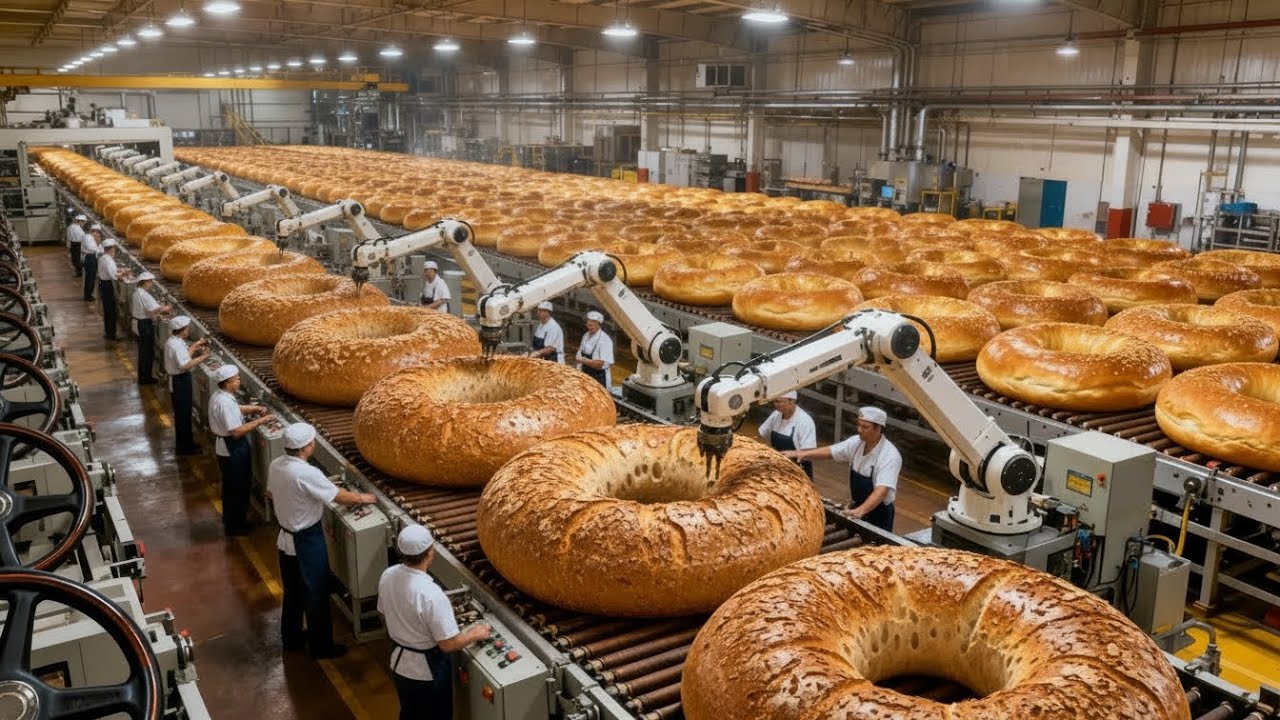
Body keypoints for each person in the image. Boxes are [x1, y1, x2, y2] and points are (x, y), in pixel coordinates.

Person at [269, 422, 376, 659]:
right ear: (307, 447)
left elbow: (271, 493)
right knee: (316, 592)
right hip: (306, 541)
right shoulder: (306, 473)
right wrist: (363, 498)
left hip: (285, 538)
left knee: (293, 592)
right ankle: (322, 647)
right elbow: (339, 497)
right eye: (312, 442)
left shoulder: (276, 465)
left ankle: (292, 638)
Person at [378, 525, 491, 720]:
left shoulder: (388, 575)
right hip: (426, 672)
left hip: (399, 662)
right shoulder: (431, 594)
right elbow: (448, 644)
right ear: (429, 554)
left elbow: (382, 612)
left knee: (409, 713)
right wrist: (476, 633)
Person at [782, 406, 901, 532]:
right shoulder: (856, 443)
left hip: (879, 515)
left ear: (878, 428)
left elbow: (881, 491)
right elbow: (831, 451)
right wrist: (801, 454)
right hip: (857, 506)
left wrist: (860, 511)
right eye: (859, 425)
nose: (859, 430)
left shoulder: (889, 455)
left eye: (865, 427)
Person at [208, 365, 274, 536]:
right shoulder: (225, 402)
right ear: (228, 383)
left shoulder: (220, 396)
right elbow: (236, 432)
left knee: (230, 487)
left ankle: (230, 520)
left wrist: (254, 409)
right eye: (237, 379)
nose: (239, 381)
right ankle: (236, 525)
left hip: (226, 446)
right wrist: (261, 421)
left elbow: (235, 409)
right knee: (239, 486)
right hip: (233, 448)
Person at [164, 316, 209, 455]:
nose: (188, 330)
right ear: (182, 330)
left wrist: (196, 345)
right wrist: (204, 357)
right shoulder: (176, 345)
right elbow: (184, 365)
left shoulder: (173, 341)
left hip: (178, 380)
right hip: (181, 381)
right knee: (183, 415)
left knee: (183, 414)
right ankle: (185, 448)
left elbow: (184, 356)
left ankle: (185, 443)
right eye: (187, 328)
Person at [757, 391, 817, 479]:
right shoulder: (776, 415)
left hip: (798, 472)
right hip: (778, 468)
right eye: (775, 401)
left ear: (791, 401)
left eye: (779, 402)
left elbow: (809, 453)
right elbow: (761, 434)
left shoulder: (805, 421)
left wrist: (792, 455)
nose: (776, 405)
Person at [130, 272, 172, 385]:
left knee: (143, 352)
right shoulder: (144, 295)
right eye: (150, 282)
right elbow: (155, 309)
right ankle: (145, 379)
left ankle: (143, 376)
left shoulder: (137, 292)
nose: (151, 284)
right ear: (144, 282)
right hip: (144, 325)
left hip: (139, 322)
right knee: (147, 352)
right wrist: (168, 307)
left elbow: (148, 309)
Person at [95, 239, 129, 340]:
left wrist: (120, 270)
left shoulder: (103, 258)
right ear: (112, 249)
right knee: (111, 311)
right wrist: (124, 273)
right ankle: (111, 334)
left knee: (107, 310)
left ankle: (108, 332)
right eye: (114, 249)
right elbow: (113, 275)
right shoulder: (108, 260)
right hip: (107, 286)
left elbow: (111, 271)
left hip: (104, 284)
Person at [575, 310, 614, 389]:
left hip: (599, 378)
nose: (590, 324)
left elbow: (600, 364)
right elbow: (579, 355)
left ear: (599, 324)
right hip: (585, 375)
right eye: (589, 321)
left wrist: (583, 360)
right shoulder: (585, 336)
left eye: (593, 322)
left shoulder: (605, 340)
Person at [81, 224, 102, 301]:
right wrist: (97, 242)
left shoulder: (92, 238)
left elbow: (99, 249)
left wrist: (98, 243)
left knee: (91, 277)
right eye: (97, 232)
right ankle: (88, 296)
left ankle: (89, 294)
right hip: (89, 258)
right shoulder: (88, 237)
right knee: (90, 278)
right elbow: (92, 248)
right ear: (94, 231)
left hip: (92, 257)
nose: (98, 234)